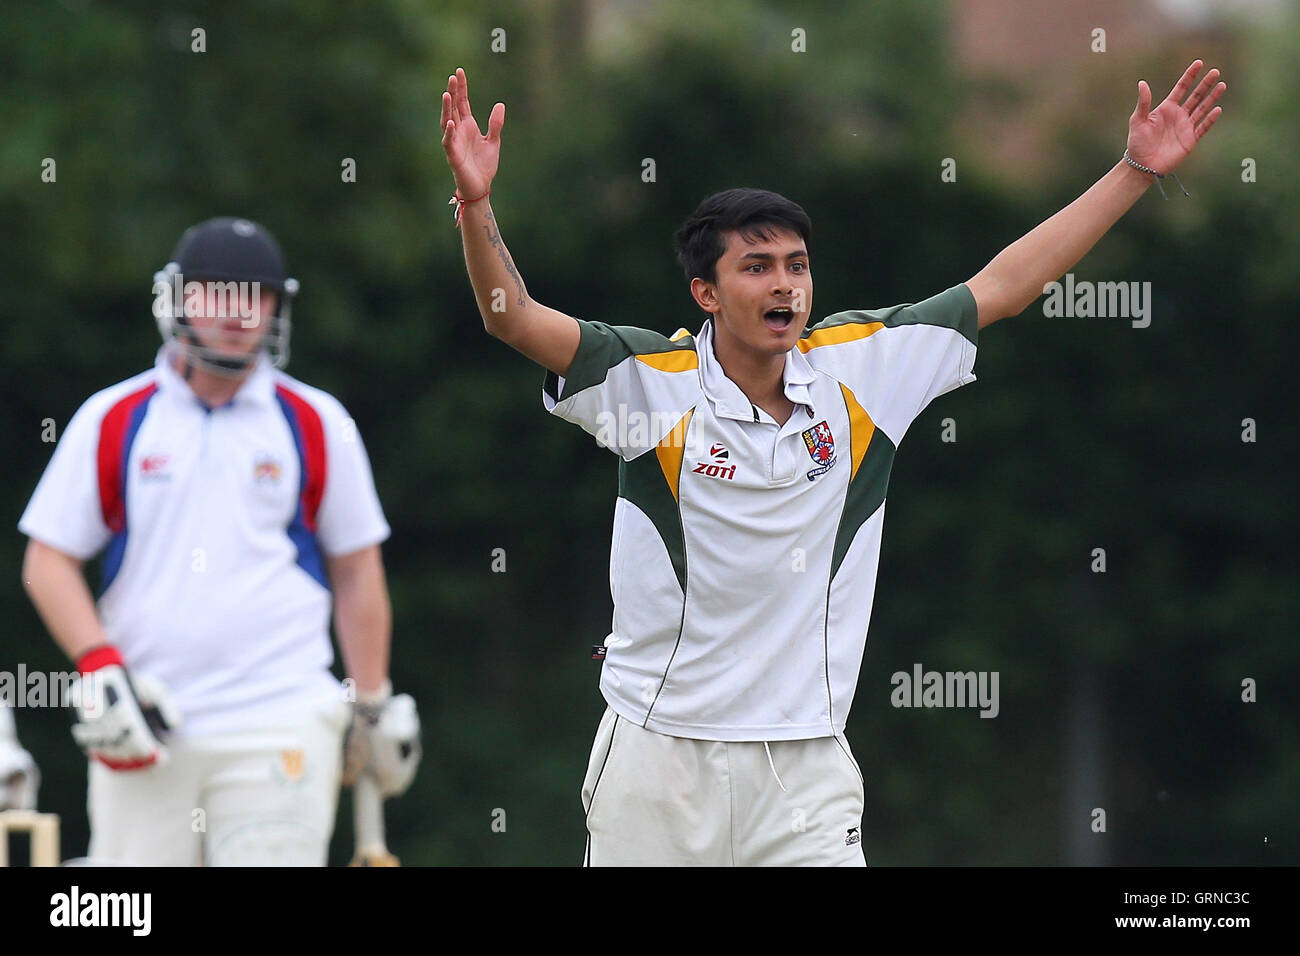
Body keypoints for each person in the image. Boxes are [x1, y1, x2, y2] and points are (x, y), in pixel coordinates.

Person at [439, 61, 1224, 865]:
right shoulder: (650, 384)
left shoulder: (864, 368)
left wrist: (1133, 172)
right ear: (706, 294)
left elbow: (1006, 285)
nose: (786, 286)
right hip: (657, 760)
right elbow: (515, 321)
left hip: (805, 766)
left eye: (797, 265)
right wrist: (475, 204)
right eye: (757, 267)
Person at [18, 217, 420, 866]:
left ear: (277, 308)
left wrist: (370, 702)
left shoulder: (316, 421)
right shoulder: (113, 417)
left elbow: (356, 570)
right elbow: (47, 560)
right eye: (218, 292)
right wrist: (98, 664)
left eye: (254, 295)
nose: (237, 312)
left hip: (280, 715)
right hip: (146, 721)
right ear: (178, 299)